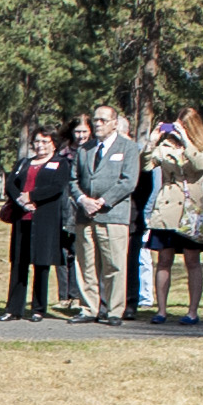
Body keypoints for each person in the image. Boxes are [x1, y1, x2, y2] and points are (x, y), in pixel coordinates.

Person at [142, 114, 203, 323]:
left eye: (183, 126)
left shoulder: (202, 145)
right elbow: (146, 166)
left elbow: (200, 164)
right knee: (164, 260)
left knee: (192, 260)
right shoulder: (165, 145)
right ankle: (161, 310)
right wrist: (152, 142)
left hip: (191, 209)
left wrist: (186, 140)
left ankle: (192, 311)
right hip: (167, 208)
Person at [71, 105, 137, 322]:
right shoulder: (84, 149)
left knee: (114, 264)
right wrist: (83, 200)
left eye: (103, 120)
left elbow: (128, 181)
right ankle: (88, 308)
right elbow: (73, 180)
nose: (98, 124)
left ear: (114, 123)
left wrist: (102, 201)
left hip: (113, 214)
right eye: (95, 120)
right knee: (86, 264)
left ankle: (114, 310)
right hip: (85, 216)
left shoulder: (128, 148)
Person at [3, 127, 70, 319]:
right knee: (18, 263)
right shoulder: (24, 162)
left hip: (44, 220)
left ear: (53, 144)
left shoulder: (60, 163)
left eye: (45, 142)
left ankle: (38, 309)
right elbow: (10, 184)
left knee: (41, 264)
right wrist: (21, 199)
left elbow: (57, 187)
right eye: (37, 141)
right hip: (22, 218)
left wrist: (33, 197)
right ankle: (13, 309)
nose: (40, 146)